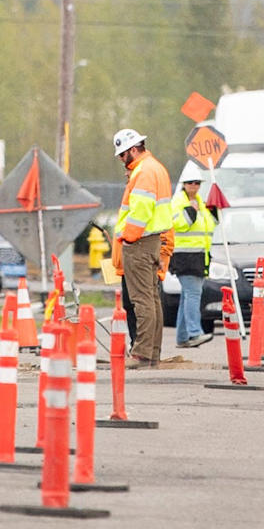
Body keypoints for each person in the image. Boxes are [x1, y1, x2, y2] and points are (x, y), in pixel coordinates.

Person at [108, 126, 177, 362]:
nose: (120, 159)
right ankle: (152, 353)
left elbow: (141, 210)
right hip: (152, 241)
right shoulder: (155, 168)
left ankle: (141, 353)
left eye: (122, 154)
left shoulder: (144, 172)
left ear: (133, 149)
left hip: (140, 243)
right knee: (152, 300)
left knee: (141, 301)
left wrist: (128, 236)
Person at [166, 165, 223, 348]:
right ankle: (194, 332)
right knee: (193, 294)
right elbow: (178, 225)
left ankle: (183, 337)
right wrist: (191, 211)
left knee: (187, 296)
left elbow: (209, 227)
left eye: (197, 183)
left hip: (199, 257)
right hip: (183, 257)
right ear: (184, 184)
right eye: (190, 183)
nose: (194, 186)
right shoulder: (177, 203)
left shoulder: (200, 202)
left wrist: (214, 213)